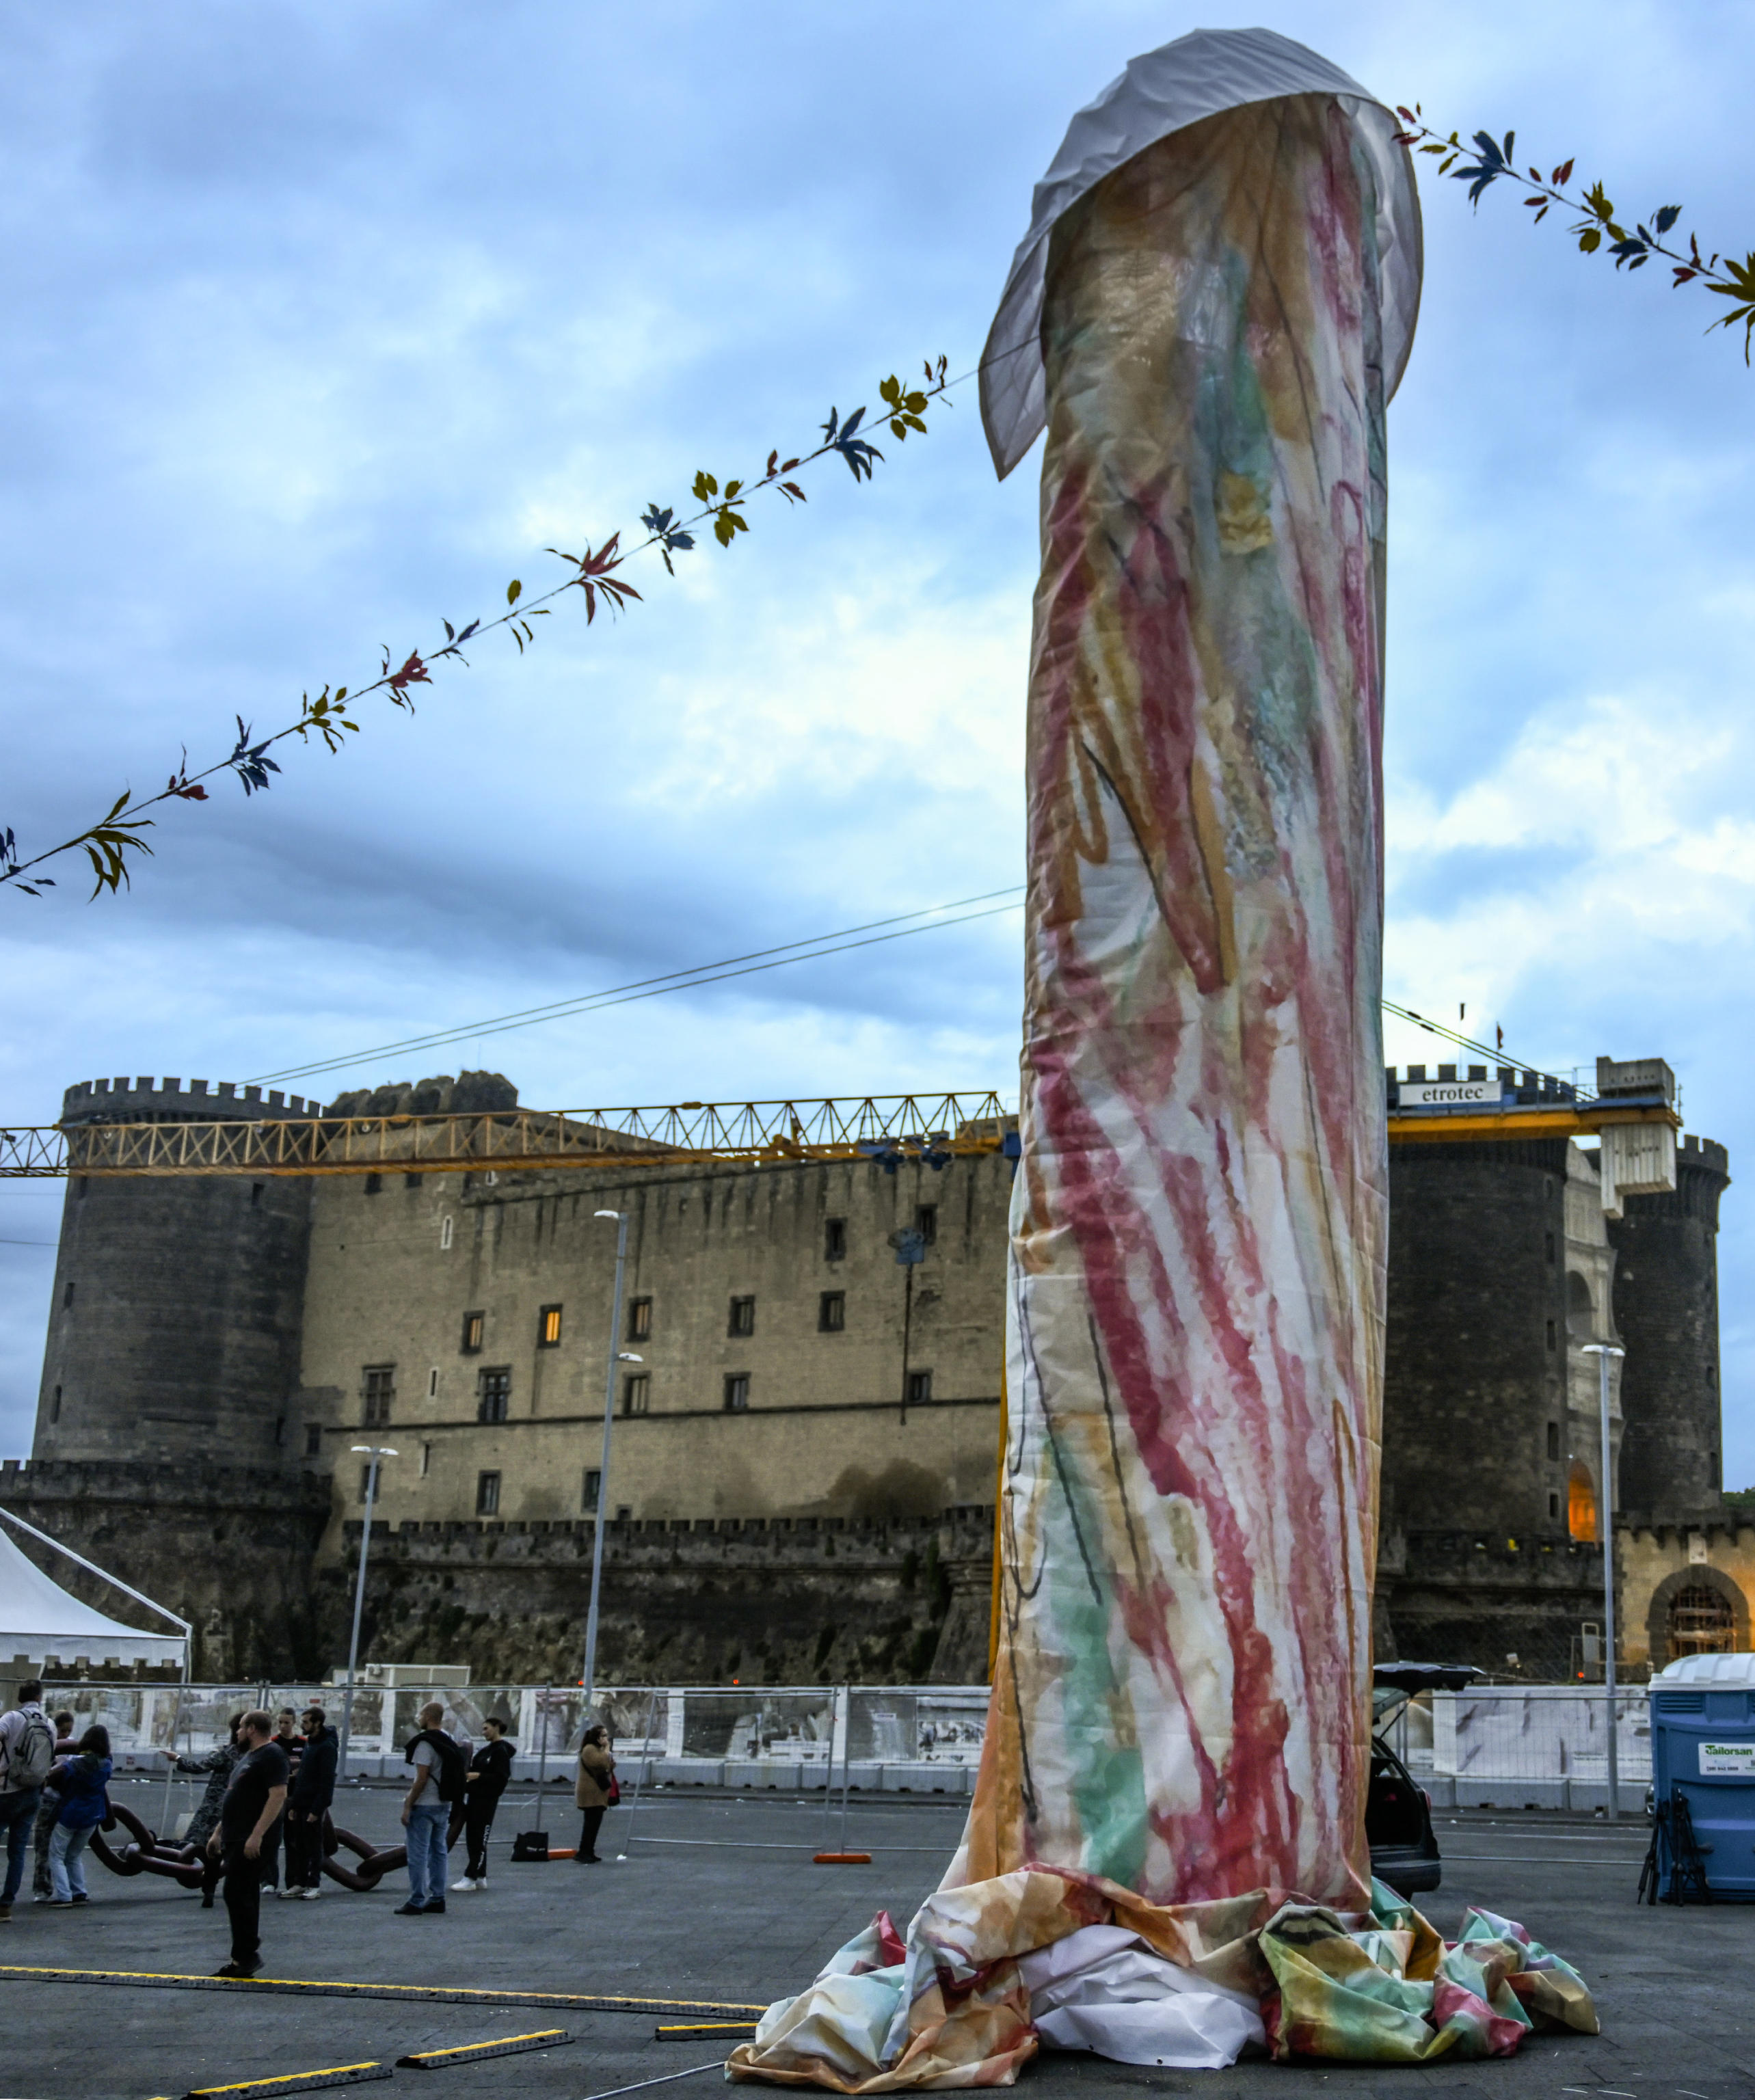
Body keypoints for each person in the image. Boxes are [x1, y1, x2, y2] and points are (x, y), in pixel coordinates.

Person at [209, 1710, 288, 1979]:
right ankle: (244, 1956)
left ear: (252, 1728)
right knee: (242, 1893)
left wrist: (257, 1835)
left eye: (241, 1728)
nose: (238, 1733)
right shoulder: (249, 1757)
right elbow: (236, 1797)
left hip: (249, 1838)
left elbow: (278, 1795)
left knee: (236, 1891)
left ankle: (245, 1956)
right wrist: (218, 1832)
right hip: (235, 1836)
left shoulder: (272, 1755)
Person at [398, 1701, 466, 1915]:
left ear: (428, 1716)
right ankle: (438, 1898)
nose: (418, 1718)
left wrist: (408, 1804)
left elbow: (421, 1779)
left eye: (421, 1714)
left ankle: (417, 1899)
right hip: (443, 1804)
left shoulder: (425, 1743)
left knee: (417, 1855)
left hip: (425, 1805)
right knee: (439, 1852)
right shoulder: (448, 1741)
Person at [0, 1679, 56, 1922]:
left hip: (6, 1790)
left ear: (20, 1696)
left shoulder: (12, 1718)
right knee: (18, 1851)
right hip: (33, 1792)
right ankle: (6, 1904)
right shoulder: (50, 1723)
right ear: (40, 1698)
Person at [177, 1714, 244, 1908]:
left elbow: (200, 1767)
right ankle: (236, 1890)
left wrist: (179, 1759)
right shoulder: (254, 1755)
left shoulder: (227, 1753)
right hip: (241, 1808)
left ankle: (209, 1889)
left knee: (212, 1853)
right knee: (234, 1851)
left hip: (216, 1807)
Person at [46, 1724, 112, 1906]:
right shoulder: (107, 1765)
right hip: (92, 1816)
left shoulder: (74, 1765)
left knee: (57, 1855)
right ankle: (79, 1891)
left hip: (70, 1814)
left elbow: (57, 1777)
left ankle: (64, 1895)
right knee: (74, 1855)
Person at [452, 1715, 515, 1892]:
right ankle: (480, 1875)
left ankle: (470, 1876)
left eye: (486, 1728)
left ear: (496, 1727)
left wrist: (479, 1776)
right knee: (474, 1837)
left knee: (479, 1838)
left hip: (487, 1800)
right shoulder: (487, 1750)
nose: (484, 1732)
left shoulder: (500, 1751)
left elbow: (501, 1778)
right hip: (475, 1797)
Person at [280, 1705, 336, 1900]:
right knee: (300, 1845)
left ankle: (313, 1884)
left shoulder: (326, 1747)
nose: (302, 1725)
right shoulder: (311, 1743)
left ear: (317, 1723)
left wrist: (317, 1809)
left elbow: (326, 1781)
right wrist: (295, 1805)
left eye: (306, 1722)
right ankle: (300, 1882)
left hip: (313, 1804)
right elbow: (303, 1776)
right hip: (302, 1802)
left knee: (314, 1845)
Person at [31, 1712, 77, 1902]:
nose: (65, 1734)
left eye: (68, 1731)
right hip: (54, 1799)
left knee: (53, 1847)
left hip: (57, 1798)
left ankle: (52, 1889)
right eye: (62, 1730)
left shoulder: (68, 1746)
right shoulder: (50, 1744)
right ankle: (45, 1887)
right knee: (44, 1845)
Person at [574, 1724, 615, 1864]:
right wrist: (607, 1749)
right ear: (596, 1737)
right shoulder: (589, 1749)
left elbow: (605, 1766)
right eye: (603, 1736)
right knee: (590, 1824)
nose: (606, 1738)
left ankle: (589, 1851)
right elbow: (600, 1761)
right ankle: (584, 1852)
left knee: (594, 1824)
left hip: (597, 1792)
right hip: (590, 1792)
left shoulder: (597, 1749)